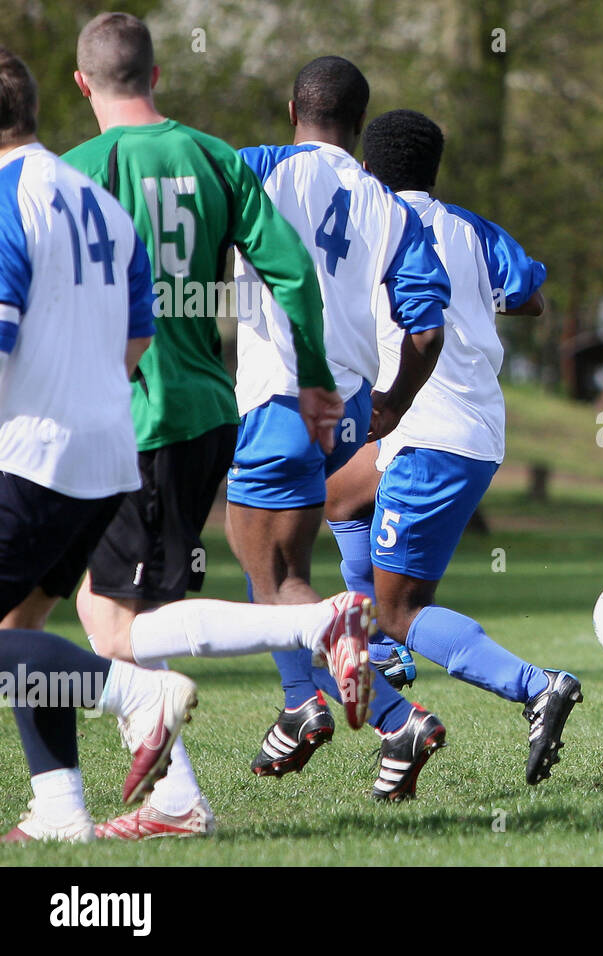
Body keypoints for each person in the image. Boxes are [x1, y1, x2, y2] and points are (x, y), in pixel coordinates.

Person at [61, 13, 374, 839]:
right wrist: (314, 380)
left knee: (115, 623)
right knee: (114, 613)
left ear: (84, 84)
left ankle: (317, 621)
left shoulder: (76, 171)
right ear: (157, 76)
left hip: (135, 416)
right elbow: (293, 273)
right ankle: (176, 802)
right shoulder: (215, 158)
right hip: (210, 410)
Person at [257, 109, 581, 793]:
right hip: (463, 431)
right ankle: (377, 648)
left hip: (427, 433)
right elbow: (532, 299)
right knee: (339, 497)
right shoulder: (470, 228)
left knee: (404, 606)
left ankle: (536, 686)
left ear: (367, 166)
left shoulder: (366, 218)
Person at [0, 46, 197, 842]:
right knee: (21, 629)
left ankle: (135, 694)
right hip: (108, 455)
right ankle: (60, 808)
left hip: (32, 455)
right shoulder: (100, 201)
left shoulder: (8, 198)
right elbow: (134, 343)